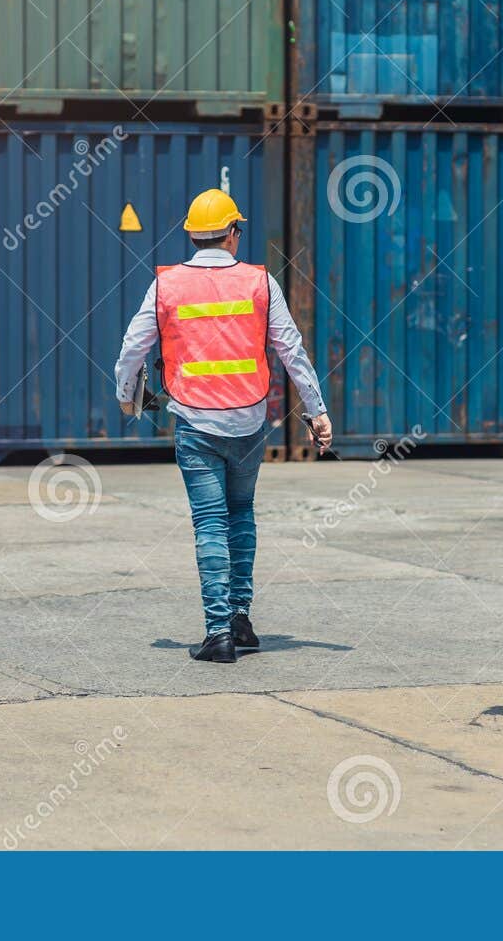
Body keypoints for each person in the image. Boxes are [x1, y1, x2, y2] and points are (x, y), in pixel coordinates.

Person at [114, 189, 332, 664]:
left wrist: (126, 394)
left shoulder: (166, 285)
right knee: (241, 514)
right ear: (233, 232)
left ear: (192, 235)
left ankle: (218, 635)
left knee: (210, 522)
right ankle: (240, 619)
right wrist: (317, 410)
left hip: (195, 422)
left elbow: (132, 348)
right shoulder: (260, 282)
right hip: (249, 421)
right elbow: (291, 350)